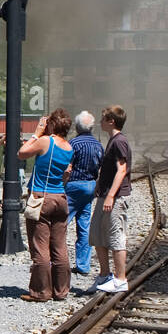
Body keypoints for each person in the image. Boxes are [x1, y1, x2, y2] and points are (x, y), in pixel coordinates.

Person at [18, 108, 74, 301]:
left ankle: (41, 292)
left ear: (51, 124)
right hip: (60, 198)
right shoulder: (68, 147)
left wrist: (36, 132)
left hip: (41, 197)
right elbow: (66, 174)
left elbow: (22, 153)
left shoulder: (45, 141)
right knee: (59, 247)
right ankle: (61, 290)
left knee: (40, 246)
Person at [90, 105, 133, 294]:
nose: (100, 122)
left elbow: (121, 169)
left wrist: (110, 196)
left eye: (103, 119)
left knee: (116, 237)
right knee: (97, 234)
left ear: (111, 121)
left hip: (115, 197)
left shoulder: (119, 142)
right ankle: (105, 275)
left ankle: (120, 280)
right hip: (105, 194)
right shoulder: (113, 141)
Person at [65, 111, 103, 276]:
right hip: (90, 186)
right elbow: (102, 167)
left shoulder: (73, 143)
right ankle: (83, 265)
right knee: (84, 225)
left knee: (61, 223)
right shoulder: (97, 145)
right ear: (92, 127)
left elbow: (67, 167)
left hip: (73, 186)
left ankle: (56, 261)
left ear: (77, 127)